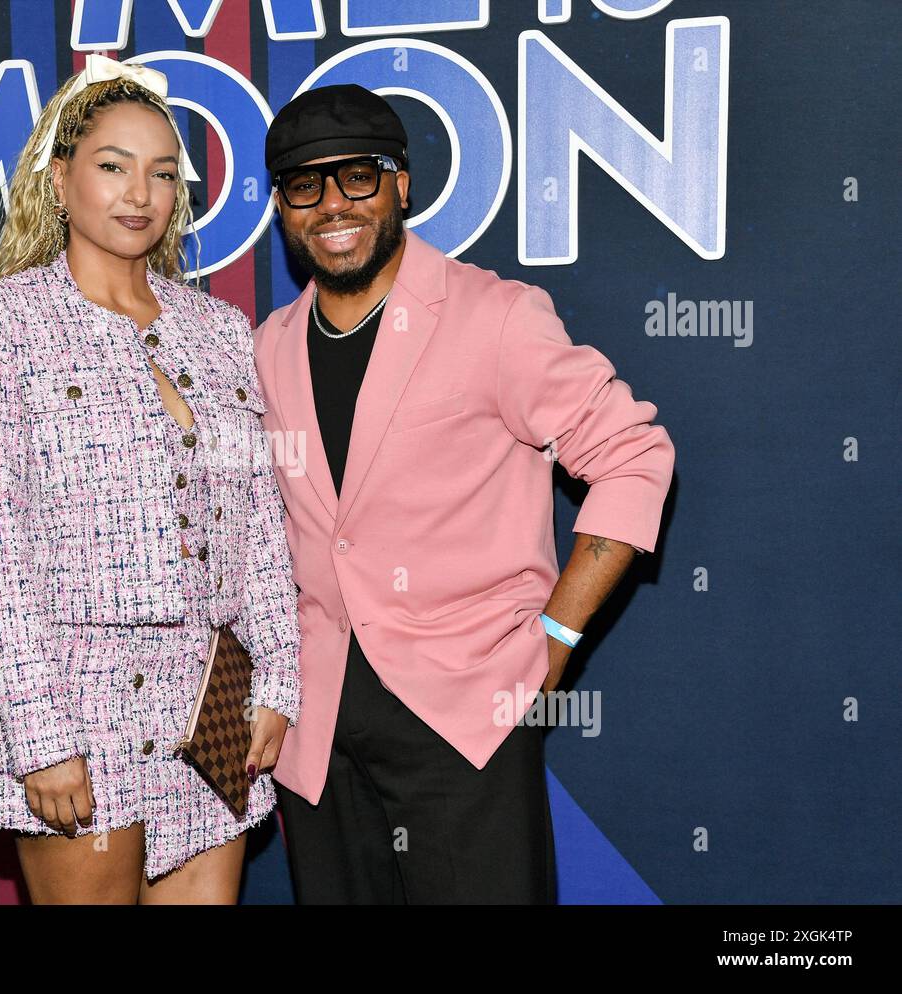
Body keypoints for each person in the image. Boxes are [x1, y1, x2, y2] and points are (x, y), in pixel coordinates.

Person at [254, 84, 676, 903]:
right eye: (306, 184)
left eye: (358, 177)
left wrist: (554, 637)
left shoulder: (496, 316)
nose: (333, 203)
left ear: (401, 185)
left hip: (462, 715)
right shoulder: (268, 348)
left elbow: (633, 454)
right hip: (316, 731)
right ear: (282, 206)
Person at [0, 56, 300, 904]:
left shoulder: (218, 329)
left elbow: (257, 519)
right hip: (75, 693)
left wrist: (278, 675)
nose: (140, 192)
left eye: (163, 173)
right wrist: (40, 730)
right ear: (60, 179)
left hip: (213, 692)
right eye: (112, 166)